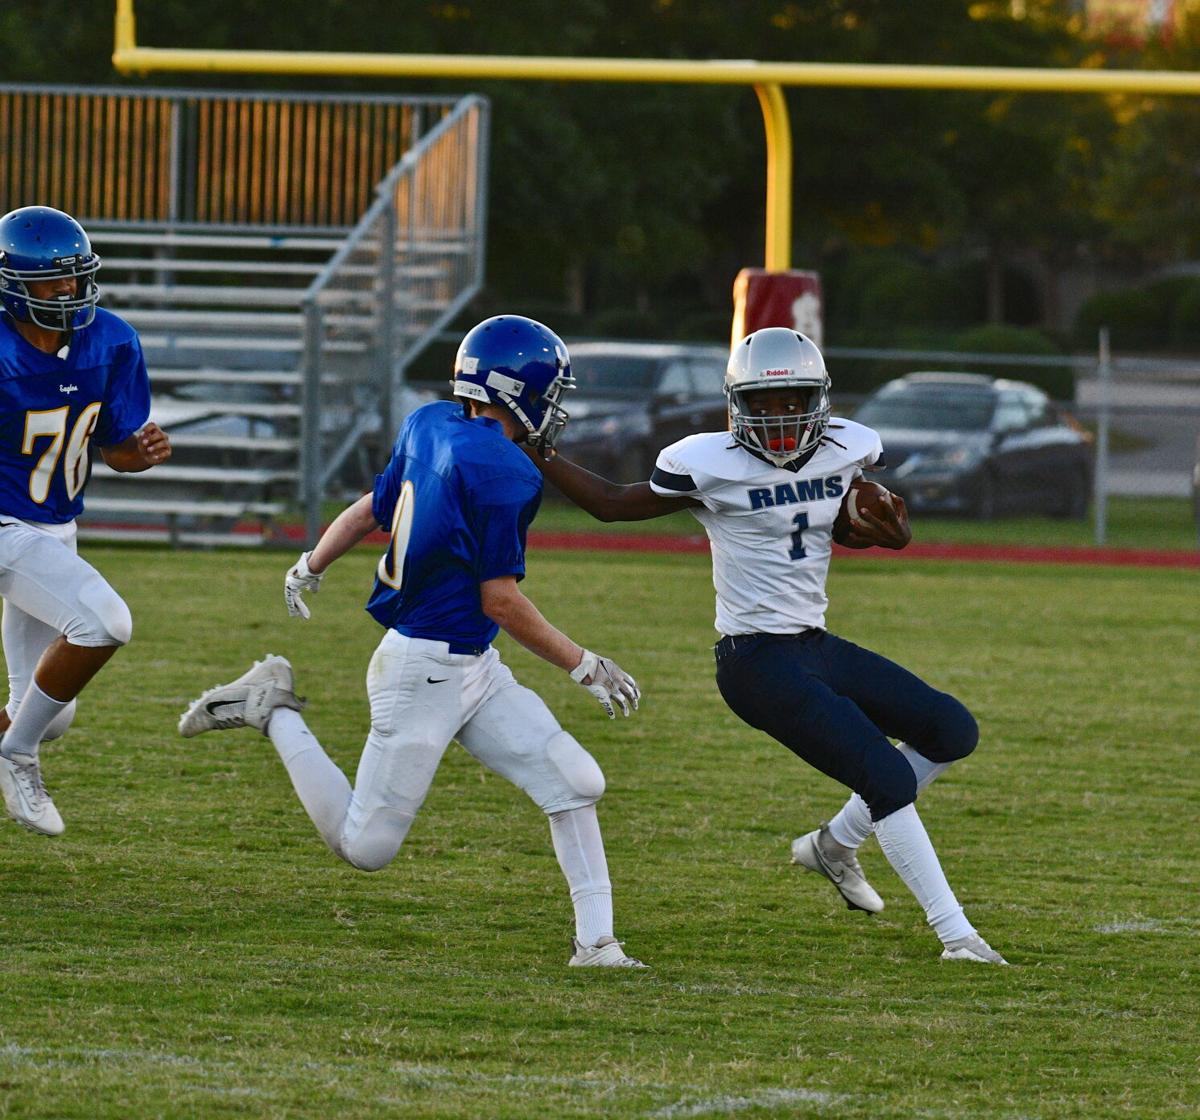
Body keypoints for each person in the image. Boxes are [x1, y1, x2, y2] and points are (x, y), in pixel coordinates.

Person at [526, 326, 1007, 965]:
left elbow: (844, 525)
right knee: (885, 774)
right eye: (763, 403)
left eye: (793, 401)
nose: (780, 417)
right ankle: (958, 938)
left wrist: (890, 531)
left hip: (814, 642)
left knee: (951, 729)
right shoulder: (708, 462)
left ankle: (834, 846)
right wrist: (537, 450)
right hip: (754, 662)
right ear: (736, 405)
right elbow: (614, 505)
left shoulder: (850, 448)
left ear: (820, 398)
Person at [178, 315, 647, 968]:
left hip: (470, 665)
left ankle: (597, 945)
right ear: (519, 390)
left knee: (575, 780)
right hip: (422, 672)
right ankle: (271, 709)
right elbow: (500, 599)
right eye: (550, 391)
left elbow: (373, 508)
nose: (555, 407)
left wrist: (313, 562)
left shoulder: (428, 422)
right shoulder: (506, 470)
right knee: (365, 847)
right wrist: (584, 665)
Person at [0, 205, 172, 837]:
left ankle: (17, 740)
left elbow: (116, 449)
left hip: (51, 526)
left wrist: (139, 453)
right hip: (3, 522)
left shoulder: (111, 340)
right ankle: (16, 758)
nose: (67, 289)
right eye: (50, 279)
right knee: (104, 622)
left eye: (74, 277)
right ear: (13, 284)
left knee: (48, 710)